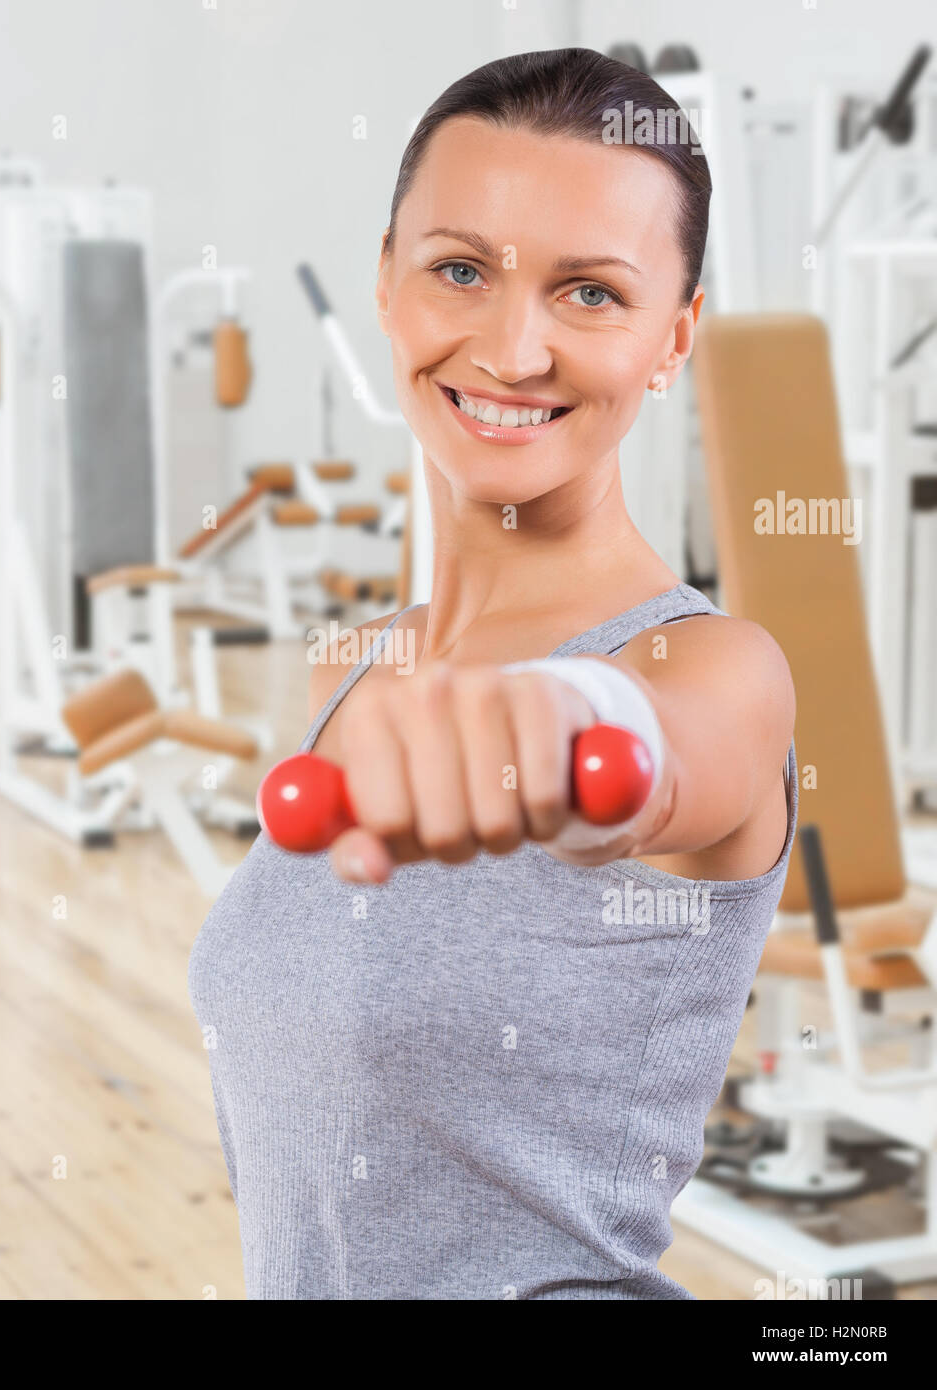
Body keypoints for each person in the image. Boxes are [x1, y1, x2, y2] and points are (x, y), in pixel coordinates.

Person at [188, 47, 797, 1300]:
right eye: (460, 270)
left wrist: (559, 723)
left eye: (589, 295)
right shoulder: (355, 672)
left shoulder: (716, 667)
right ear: (388, 284)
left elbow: (657, 753)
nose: (513, 349)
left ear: (672, 337)